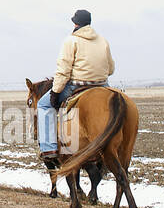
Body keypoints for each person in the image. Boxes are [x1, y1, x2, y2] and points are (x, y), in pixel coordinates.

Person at [38, 9, 115, 169]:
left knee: (43, 106)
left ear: (75, 23)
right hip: (103, 86)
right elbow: (111, 69)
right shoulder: (103, 41)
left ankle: (49, 149)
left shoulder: (70, 41)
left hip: (77, 86)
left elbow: (63, 70)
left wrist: (55, 91)